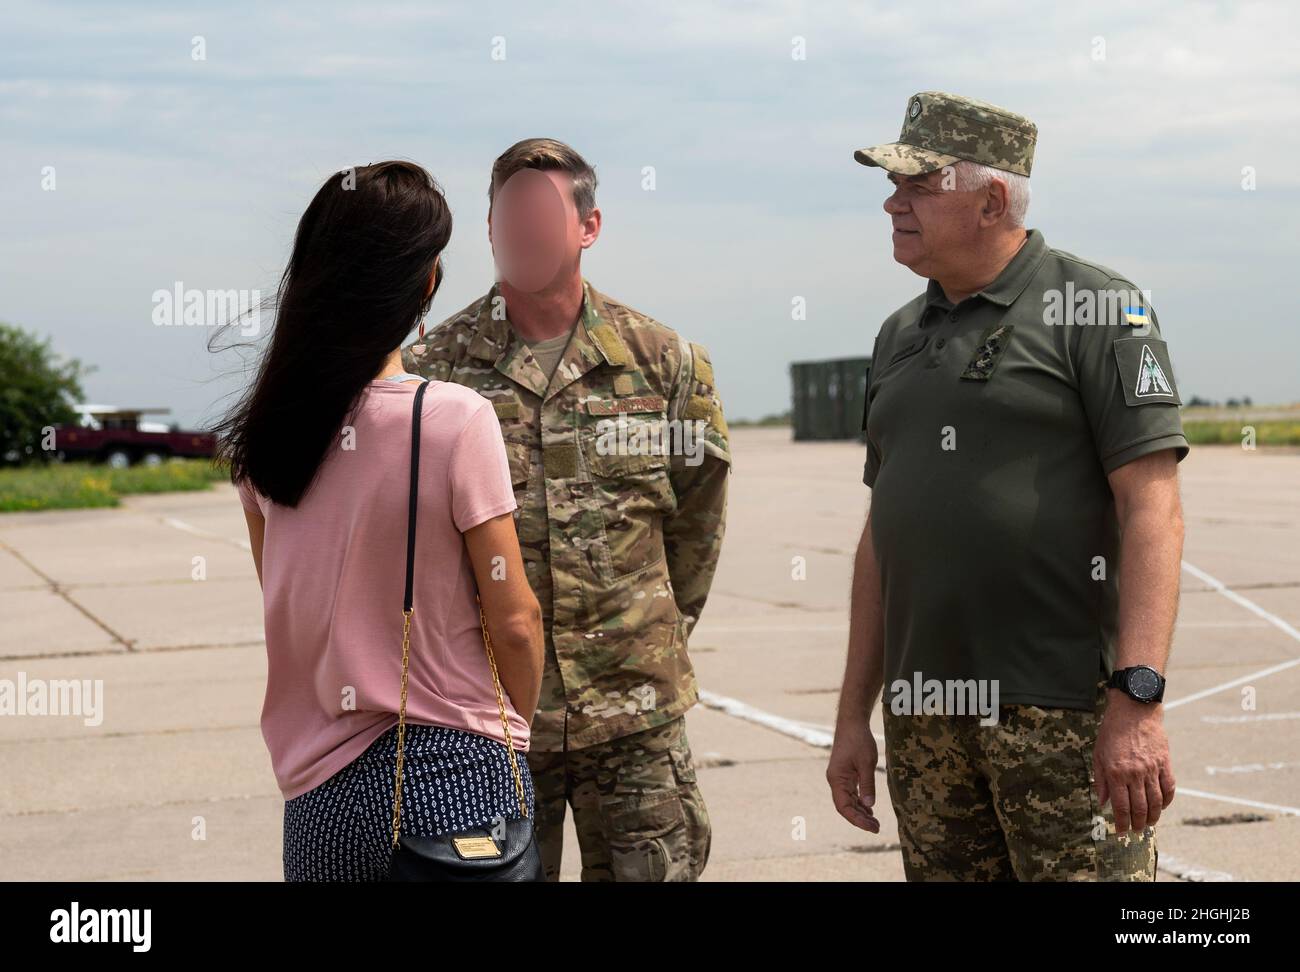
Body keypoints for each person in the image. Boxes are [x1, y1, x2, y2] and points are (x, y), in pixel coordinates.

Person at [826, 92, 1188, 881]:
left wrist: (1138, 700)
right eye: (894, 186)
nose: (894, 203)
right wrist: (853, 716)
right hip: (925, 718)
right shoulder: (898, 334)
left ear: (991, 200)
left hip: (1062, 712)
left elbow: (1153, 508)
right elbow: (882, 535)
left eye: (919, 185)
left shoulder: (1096, 308)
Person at [402, 138, 729, 881]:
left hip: (634, 717)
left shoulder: (667, 363)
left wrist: (646, 637)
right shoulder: (432, 375)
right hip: (491, 724)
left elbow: (697, 524)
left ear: (589, 226)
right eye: (508, 215)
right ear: (490, 229)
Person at [215, 161, 544, 882]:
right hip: (454, 774)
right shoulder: (455, 419)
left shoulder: (263, 437)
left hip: (319, 796)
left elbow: (292, 600)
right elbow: (515, 620)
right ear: (424, 283)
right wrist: (511, 732)